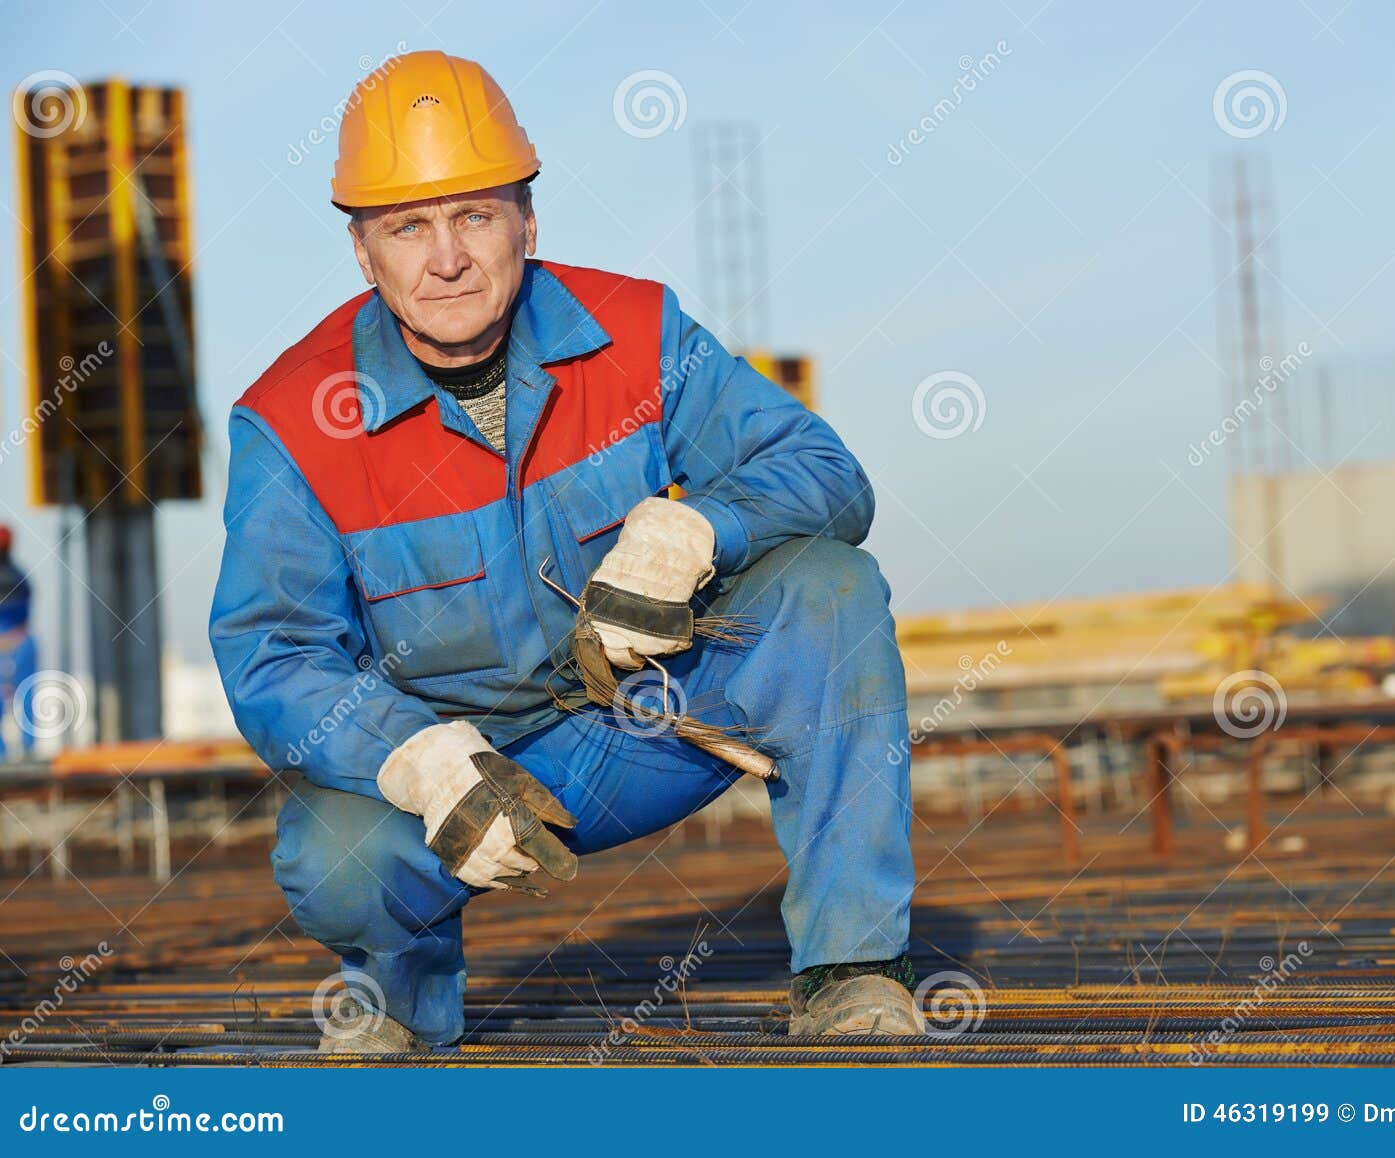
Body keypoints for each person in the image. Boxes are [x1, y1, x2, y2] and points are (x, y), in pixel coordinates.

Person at [209, 51, 922, 1050]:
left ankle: (850, 969)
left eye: (475, 216)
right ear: (363, 253)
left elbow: (825, 474)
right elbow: (273, 655)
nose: (445, 258)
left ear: (527, 222)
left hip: (656, 729)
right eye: (408, 227)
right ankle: (404, 1000)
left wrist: (699, 528)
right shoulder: (292, 423)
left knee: (830, 592)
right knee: (335, 860)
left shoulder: (634, 331)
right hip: (464, 785)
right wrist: (412, 758)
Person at [0, 525, 37, 761]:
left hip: (8, 646)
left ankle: (5, 755)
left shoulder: (15, 577)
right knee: (26, 699)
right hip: (23, 643)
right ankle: (27, 751)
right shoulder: (21, 577)